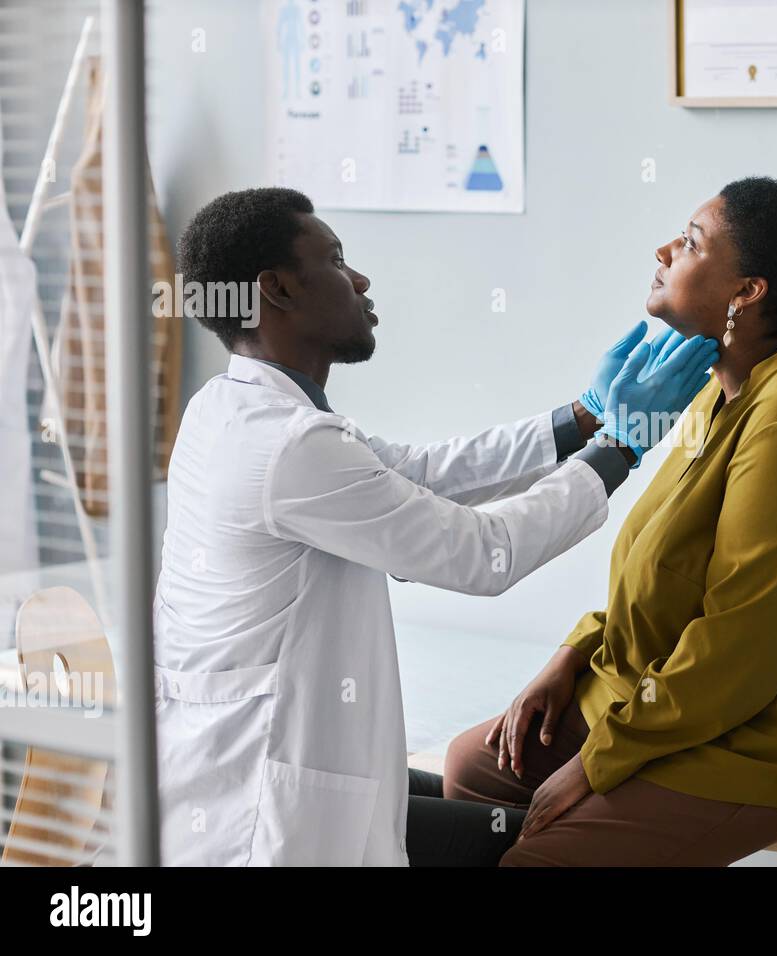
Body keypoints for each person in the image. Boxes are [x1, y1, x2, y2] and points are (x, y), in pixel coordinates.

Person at [152, 186, 717, 866]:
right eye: (335, 259)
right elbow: (485, 556)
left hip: (261, 779)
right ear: (277, 290)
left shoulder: (235, 410)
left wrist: (585, 416)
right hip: (269, 818)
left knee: (498, 809)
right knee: (537, 844)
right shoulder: (288, 448)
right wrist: (620, 448)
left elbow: (420, 473)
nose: (359, 280)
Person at [443, 177, 777, 866]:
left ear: (747, 292)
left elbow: (742, 646)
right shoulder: (724, 389)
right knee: (476, 769)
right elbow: (670, 568)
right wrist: (575, 654)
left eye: (691, 241)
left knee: (541, 856)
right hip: (711, 690)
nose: (665, 249)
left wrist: (597, 764)